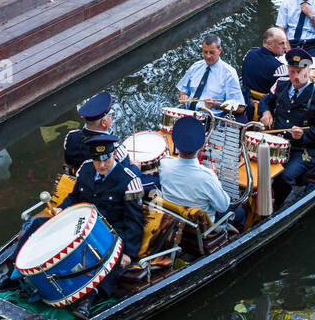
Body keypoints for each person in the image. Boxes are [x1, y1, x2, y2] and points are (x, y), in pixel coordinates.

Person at [51, 132, 146, 298]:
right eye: (97, 160)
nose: (101, 165)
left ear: (115, 155)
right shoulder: (86, 169)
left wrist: (129, 254)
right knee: (40, 227)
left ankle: (92, 295)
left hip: (112, 231)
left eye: (106, 160)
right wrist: (61, 208)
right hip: (82, 222)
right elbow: (74, 197)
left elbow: (134, 222)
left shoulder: (130, 181)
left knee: (109, 255)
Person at [258, 48, 315, 208]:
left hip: (303, 150)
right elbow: (265, 101)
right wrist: (265, 112)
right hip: (276, 143)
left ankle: (275, 208)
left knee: (285, 177)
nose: (295, 77)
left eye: (300, 72)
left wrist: (304, 135)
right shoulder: (280, 85)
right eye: (292, 71)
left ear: (309, 71)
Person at [159, 115, 232, 222]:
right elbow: (223, 206)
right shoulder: (208, 177)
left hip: (171, 224)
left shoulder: (164, 165)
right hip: (200, 231)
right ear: (202, 145)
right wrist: (215, 178)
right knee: (240, 213)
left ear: (175, 144)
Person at [176, 33, 242, 116]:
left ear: (220, 50)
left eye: (211, 52)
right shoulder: (195, 67)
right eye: (205, 52)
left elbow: (240, 107)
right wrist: (183, 96)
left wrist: (217, 105)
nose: (208, 56)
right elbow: (183, 90)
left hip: (211, 120)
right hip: (188, 115)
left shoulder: (229, 73)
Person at [62, 91, 125, 172]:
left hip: (74, 178)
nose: (111, 119)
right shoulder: (113, 147)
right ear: (104, 123)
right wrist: (135, 166)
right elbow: (125, 170)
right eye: (110, 116)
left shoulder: (70, 136)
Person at [240, 26, 288, 116]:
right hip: (265, 109)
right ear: (269, 44)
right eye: (281, 44)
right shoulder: (279, 68)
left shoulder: (250, 53)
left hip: (245, 100)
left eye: (285, 43)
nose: (285, 47)